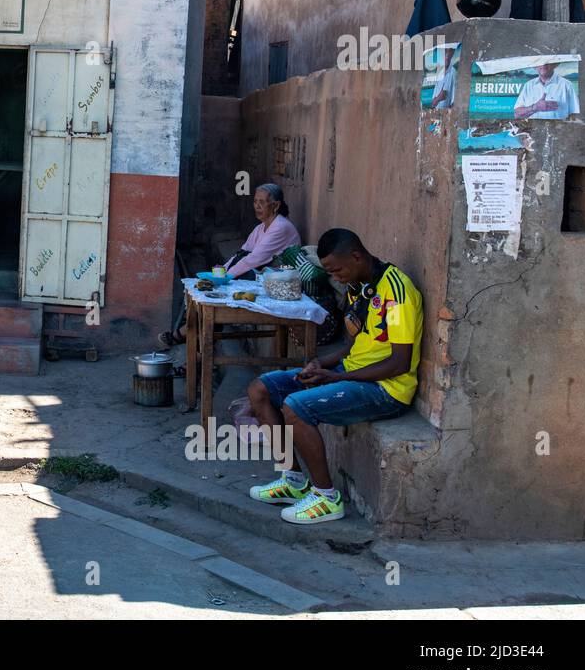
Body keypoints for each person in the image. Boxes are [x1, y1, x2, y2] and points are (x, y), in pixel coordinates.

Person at [246, 229, 422, 525]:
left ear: (356, 257)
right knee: (260, 389)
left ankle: (327, 498)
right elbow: (355, 344)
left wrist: (335, 379)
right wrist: (318, 363)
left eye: (337, 270)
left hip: (386, 388)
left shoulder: (396, 292)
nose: (336, 278)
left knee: (296, 408)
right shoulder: (358, 287)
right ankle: (292, 480)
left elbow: (399, 362)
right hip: (350, 374)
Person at [162, 183, 301, 348]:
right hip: (263, 278)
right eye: (255, 201)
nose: (257, 206)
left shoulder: (281, 227)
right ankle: (195, 348)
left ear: (276, 205)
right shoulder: (261, 228)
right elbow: (242, 253)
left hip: (279, 283)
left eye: (262, 202)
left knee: (217, 295)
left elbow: (253, 259)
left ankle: (186, 337)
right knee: (212, 294)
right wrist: (222, 271)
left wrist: (225, 276)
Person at [514, 62, 580, 120]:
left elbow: (576, 115)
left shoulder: (567, 85)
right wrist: (535, 107)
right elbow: (517, 115)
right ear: (535, 66)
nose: (543, 64)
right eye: (539, 61)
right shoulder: (528, 85)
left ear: (554, 65)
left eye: (548, 61)